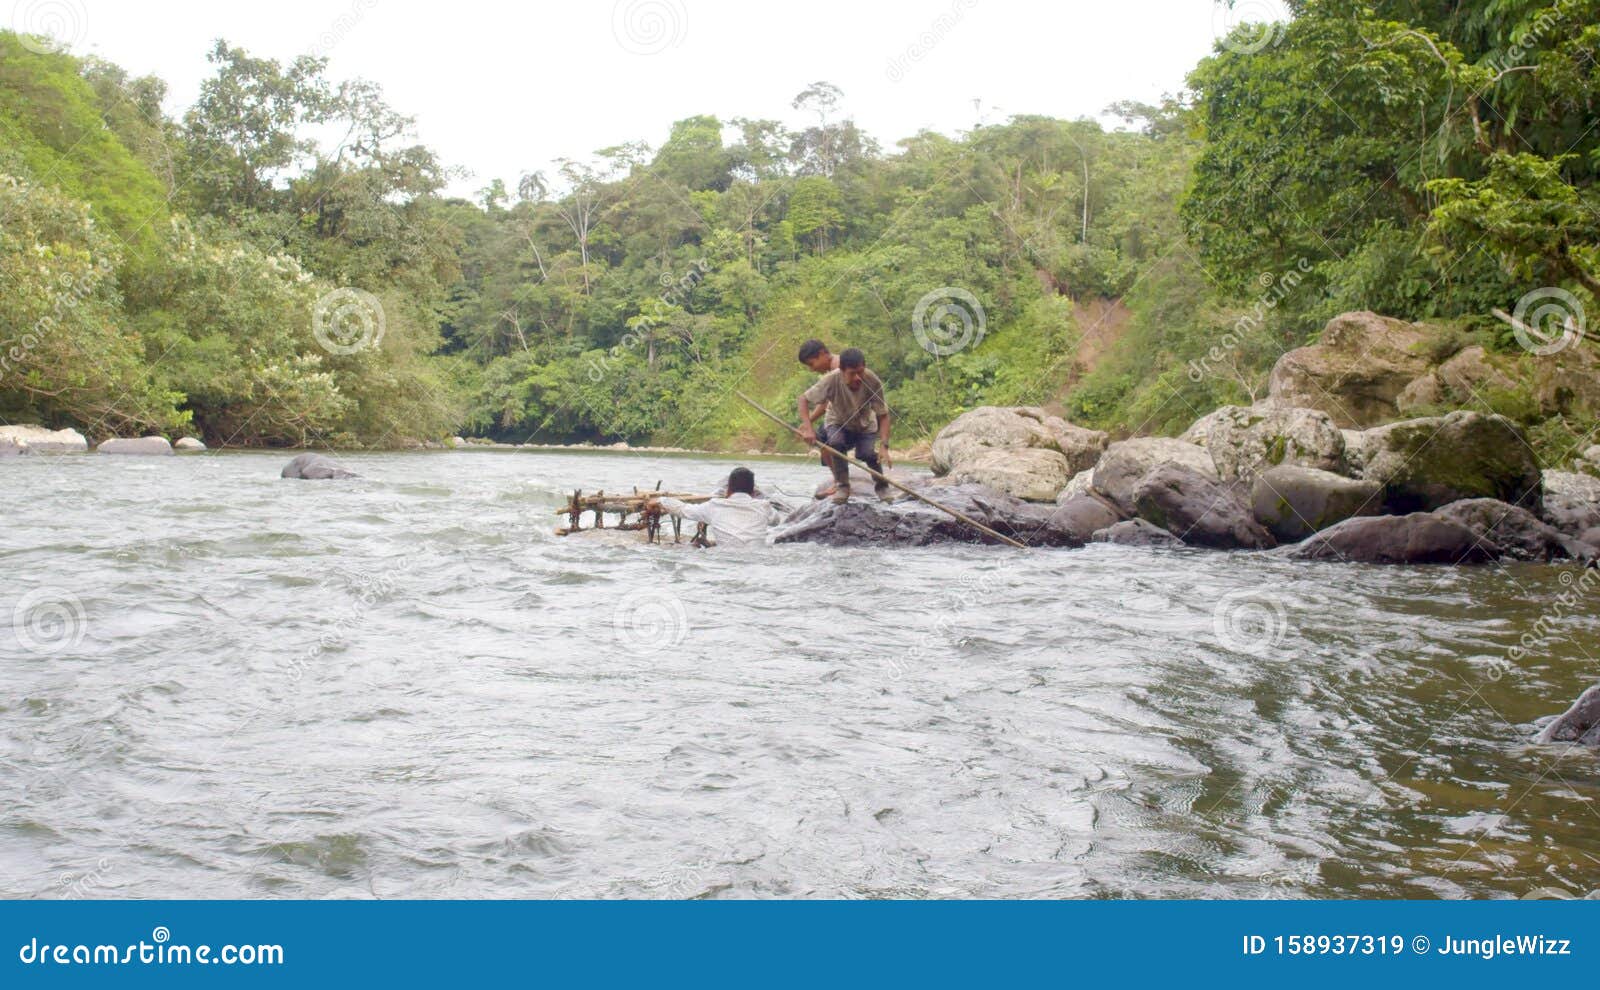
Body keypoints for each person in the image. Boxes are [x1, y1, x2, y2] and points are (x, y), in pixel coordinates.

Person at [797, 348, 892, 503]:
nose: (858, 378)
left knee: (866, 454)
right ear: (841, 371)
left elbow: (883, 415)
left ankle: (882, 486)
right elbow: (803, 399)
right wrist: (808, 429)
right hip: (837, 421)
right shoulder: (831, 379)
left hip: (865, 424)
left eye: (860, 372)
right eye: (852, 373)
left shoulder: (872, 381)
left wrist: (884, 446)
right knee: (835, 442)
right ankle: (842, 486)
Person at [652, 467, 781, 546]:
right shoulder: (764, 507)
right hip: (758, 560)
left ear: (728, 490)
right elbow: (776, 521)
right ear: (753, 492)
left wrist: (661, 499)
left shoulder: (715, 506)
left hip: (725, 559)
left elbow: (683, 509)